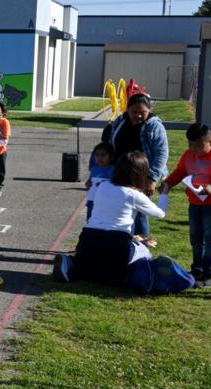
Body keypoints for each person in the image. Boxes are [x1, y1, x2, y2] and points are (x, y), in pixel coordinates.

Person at [56, 151, 164, 285]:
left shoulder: (103, 186)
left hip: (88, 239)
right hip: (116, 243)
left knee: (90, 263)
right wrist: (164, 194)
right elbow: (160, 214)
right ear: (140, 174)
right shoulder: (134, 195)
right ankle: (127, 273)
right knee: (145, 252)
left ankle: (71, 264)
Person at [160, 123, 211, 287]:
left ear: (210, 142)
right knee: (196, 238)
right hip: (195, 202)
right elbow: (180, 172)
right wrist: (167, 184)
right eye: (190, 144)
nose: (194, 149)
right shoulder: (188, 155)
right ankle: (197, 270)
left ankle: (210, 274)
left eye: (198, 145)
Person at [102, 92, 168, 237]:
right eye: (134, 112)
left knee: (139, 214)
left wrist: (152, 178)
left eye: (143, 112)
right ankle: (125, 243)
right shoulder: (120, 121)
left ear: (149, 111)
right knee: (122, 211)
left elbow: (162, 154)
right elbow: (111, 143)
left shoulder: (155, 126)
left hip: (142, 175)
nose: (138, 116)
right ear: (128, 110)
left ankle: (143, 249)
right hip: (120, 174)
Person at [85, 143, 116, 221]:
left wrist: (104, 185)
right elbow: (90, 181)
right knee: (90, 221)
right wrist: (88, 184)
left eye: (103, 155)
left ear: (111, 157)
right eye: (97, 155)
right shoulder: (94, 169)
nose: (99, 158)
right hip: (92, 200)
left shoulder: (113, 170)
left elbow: (116, 185)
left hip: (106, 202)